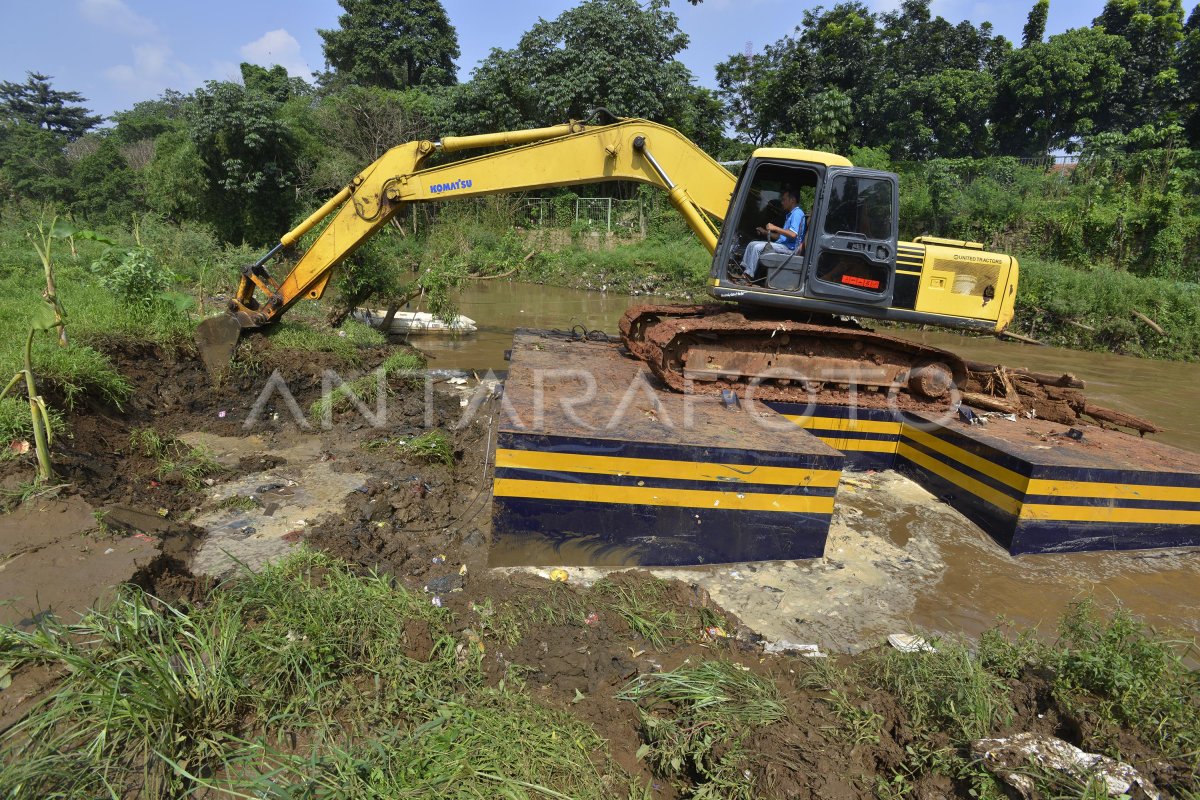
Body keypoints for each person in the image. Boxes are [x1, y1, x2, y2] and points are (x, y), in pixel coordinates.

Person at [740, 187, 805, 284]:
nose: (782, 202)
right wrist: (765, 232)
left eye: (784, 200)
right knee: (752, 244)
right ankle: (744, 271)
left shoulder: (797, 214)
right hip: (783, 244)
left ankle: (748, 277)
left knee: (757, 247)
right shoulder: (790, 214)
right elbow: (781, 237)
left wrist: (775, 227)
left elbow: (793, 234)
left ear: (792, 200)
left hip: (790, 249)